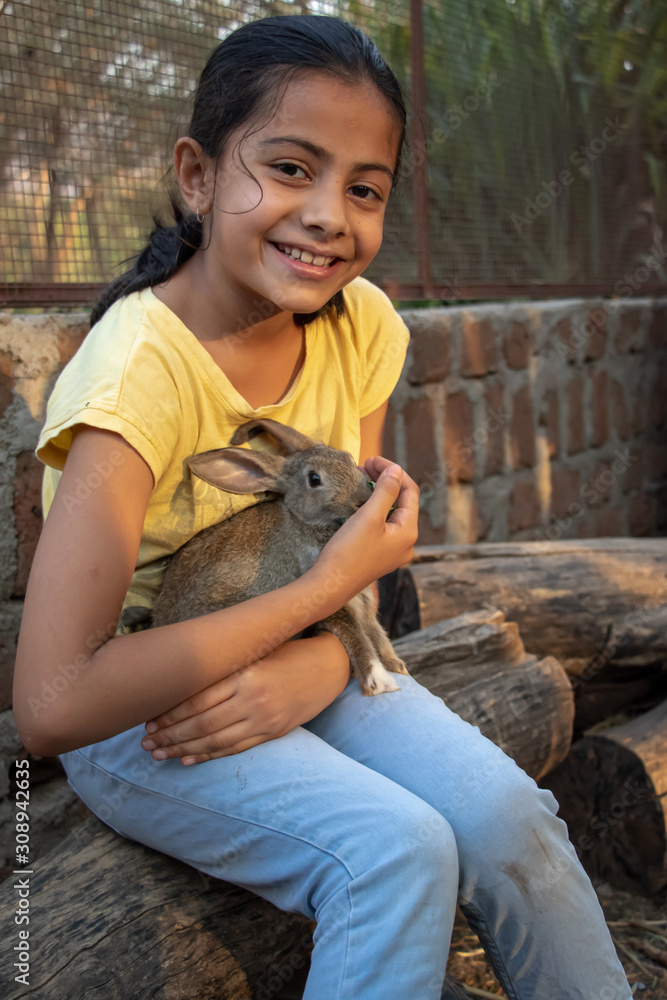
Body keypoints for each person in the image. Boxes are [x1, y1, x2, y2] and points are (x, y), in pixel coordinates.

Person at [13, 14, 631, 1000]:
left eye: (365, 188)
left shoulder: (362, 327)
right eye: (291, 168)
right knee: (396, 852)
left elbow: (358, 552)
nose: (328, 215)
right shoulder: (135, 378)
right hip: (144, 711)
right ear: (198, 175)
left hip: (312, 659)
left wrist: (319, 657)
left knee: (513, 821)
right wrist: (324, 609)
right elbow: (51, 705)